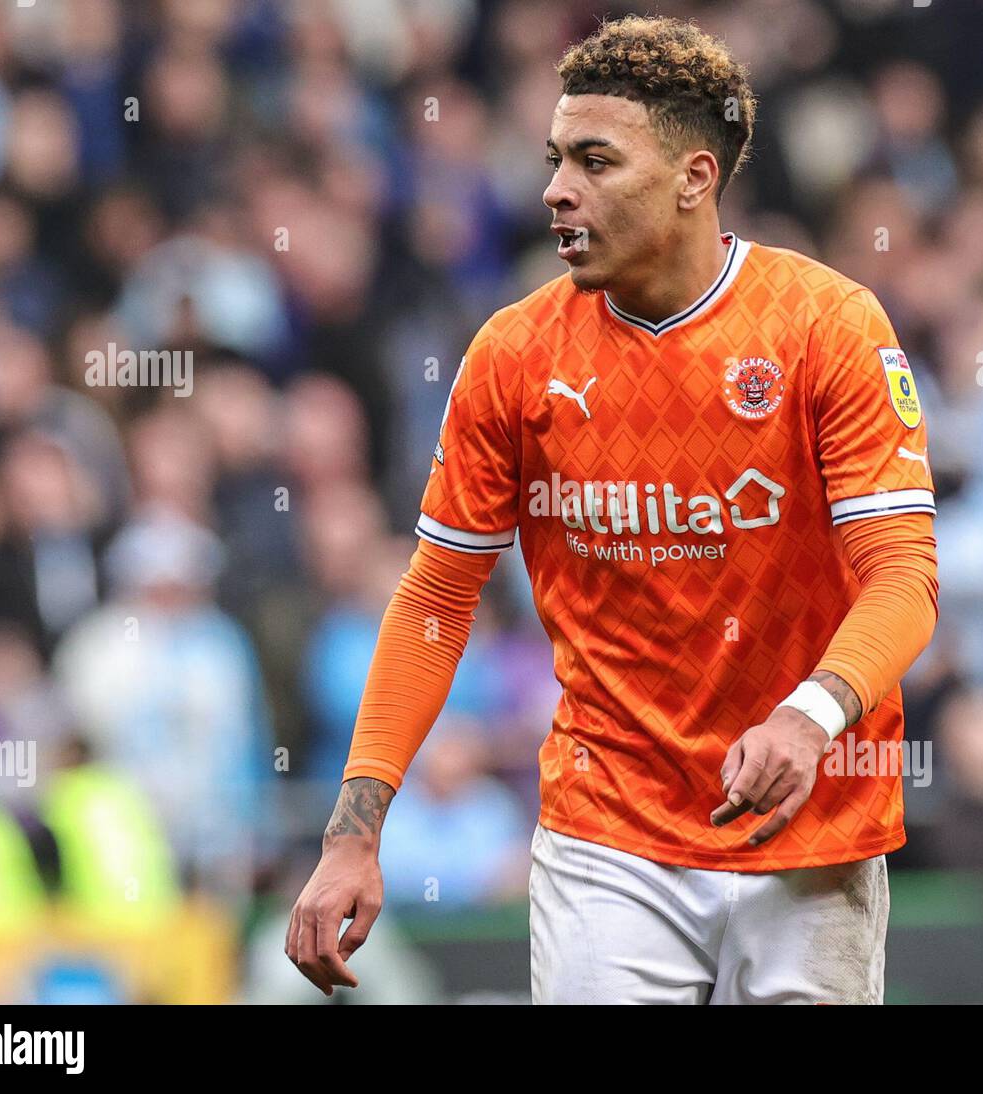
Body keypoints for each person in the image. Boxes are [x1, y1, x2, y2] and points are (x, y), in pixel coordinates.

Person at [287, 14, 939, 1004]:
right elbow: (434, 598)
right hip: (609, 836)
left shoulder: (825, 326)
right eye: (554, 159)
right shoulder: (513, 355)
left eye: (595, 160)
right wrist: (352, 832)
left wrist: (809, 717)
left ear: (694, 176)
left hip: (809, 827)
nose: (555, 187)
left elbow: (904, 576)